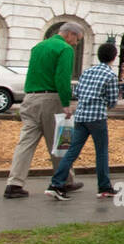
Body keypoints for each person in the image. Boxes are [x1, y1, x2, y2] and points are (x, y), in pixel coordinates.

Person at [4, 23, 82, 199]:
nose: (76, 44)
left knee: (25, 143)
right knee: (60, 142)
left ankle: (14, 183)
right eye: (77, 39)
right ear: (70, 34)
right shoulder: (65, 49)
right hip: (51, 99)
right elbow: (62, 77)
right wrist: (66, 102)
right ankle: (64, 180)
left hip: (30, 97)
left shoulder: (38, 47)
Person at [45, 42, 121, 200]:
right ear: (114, 57)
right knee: (101, 152)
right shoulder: (110, 75)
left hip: (80, 116)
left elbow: (77, 92)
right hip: (97, 117)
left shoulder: (87, 72)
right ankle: (104, 187)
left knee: (72, 151)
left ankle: (56, 183)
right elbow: (112, 101)